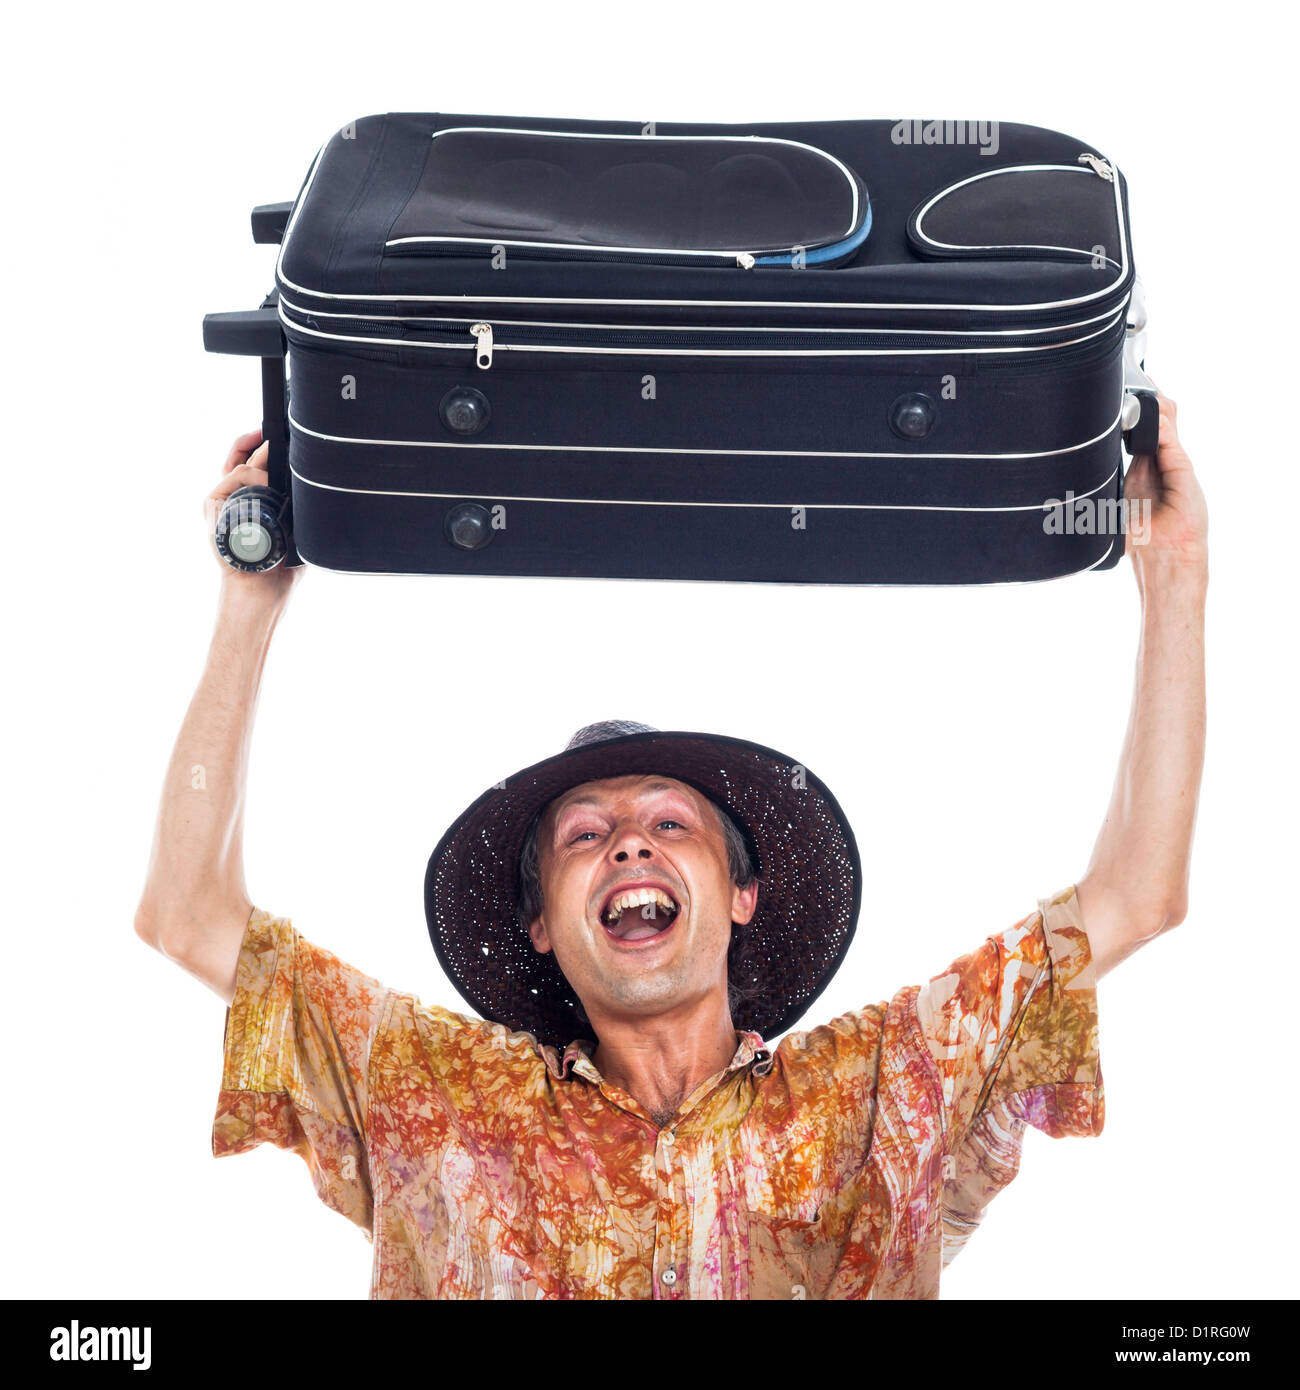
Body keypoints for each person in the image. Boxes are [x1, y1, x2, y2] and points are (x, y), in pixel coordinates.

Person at [133, 393, 1207, 1299]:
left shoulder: (886, 1091)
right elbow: (186, 915)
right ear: (541, 924)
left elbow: (1134, 895)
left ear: (739, 892)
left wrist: (1172, 577)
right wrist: (247, 604)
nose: (628, 848)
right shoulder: (438, 1099)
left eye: (668, 822)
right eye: (585, 836)